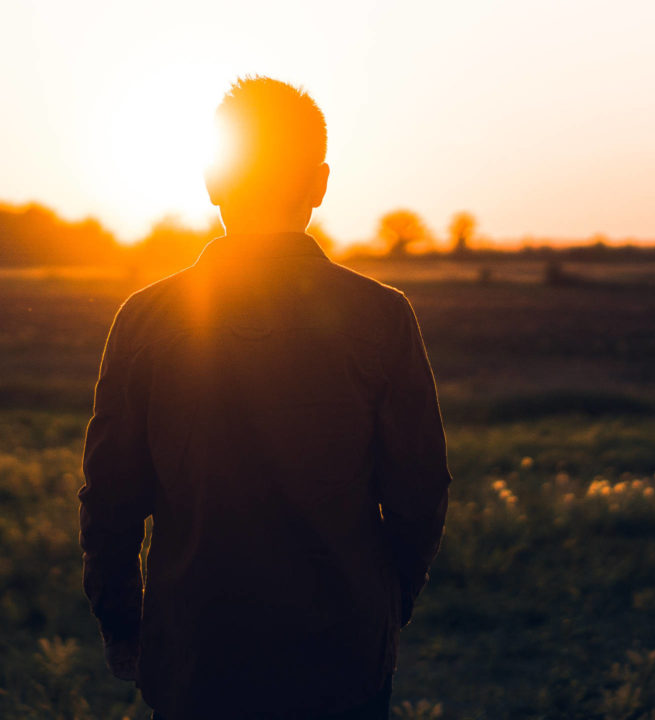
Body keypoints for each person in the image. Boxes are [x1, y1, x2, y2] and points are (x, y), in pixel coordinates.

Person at [78, 76, 452, 719]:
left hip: (196, 659)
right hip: (342, 659)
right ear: (320, 183)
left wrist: (124, 629)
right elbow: (420, 493)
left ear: (213, 181)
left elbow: (110, 500)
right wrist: (386, 609)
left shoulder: (145, 319)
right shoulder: (382, 318)